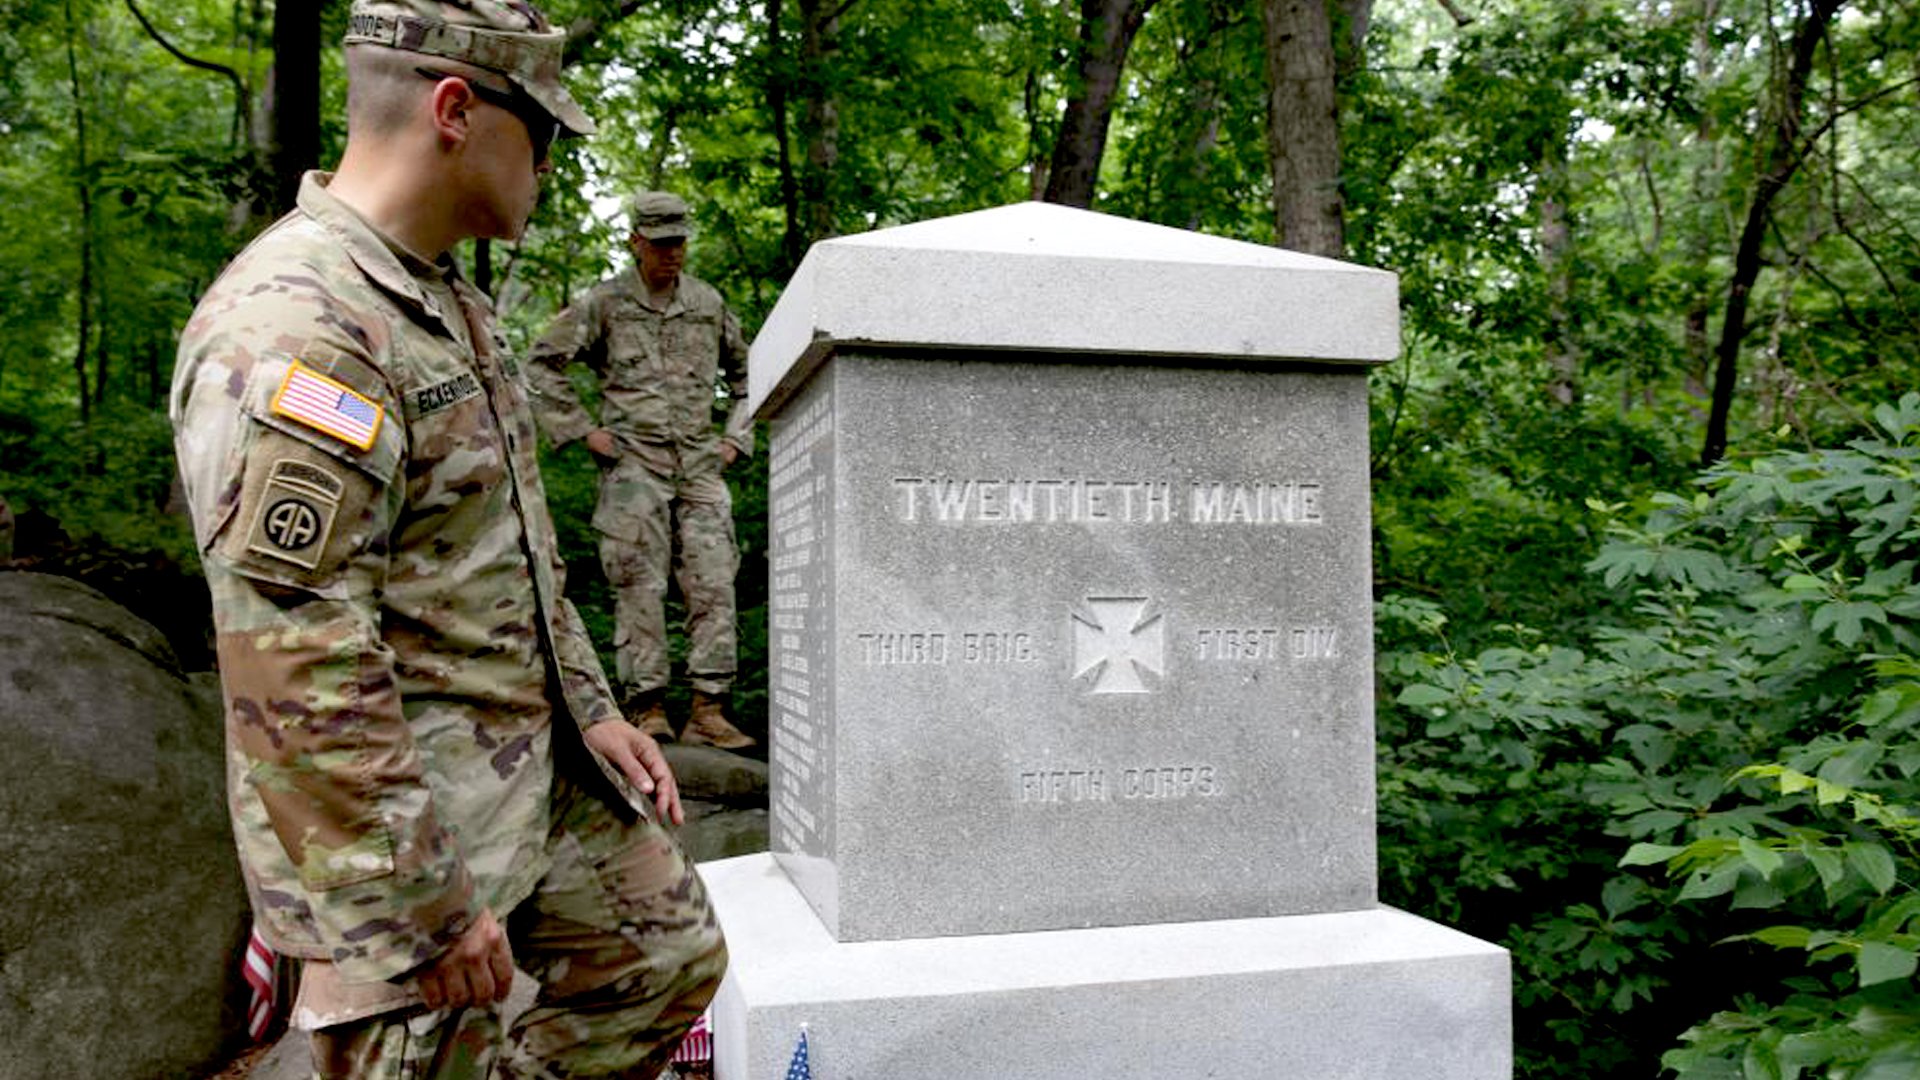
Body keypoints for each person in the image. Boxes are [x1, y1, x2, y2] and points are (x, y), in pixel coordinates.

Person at [168, 4, 726, 1077]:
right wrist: (419, 907)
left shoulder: (440, 297)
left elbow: (509, 544)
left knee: (661, 957)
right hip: (401, 825)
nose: (554, 166)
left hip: (523, 764)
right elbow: (298, 665)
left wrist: (594, 710)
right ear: (456, 111)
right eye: (546, 133)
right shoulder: (303, 327)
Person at [527, 190, 757, 750]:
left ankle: (708, 709)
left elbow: (752, 372)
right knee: (637, 583)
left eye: (679, 241)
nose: (672, 253)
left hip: (699, 465)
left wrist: (736, 439)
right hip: (634, 465)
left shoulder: (707, 303)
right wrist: (583, 431)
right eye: (661, 243)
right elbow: (541, 362)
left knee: (712, 581)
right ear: (636, 243)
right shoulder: (606, 303)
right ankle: (646, 706)